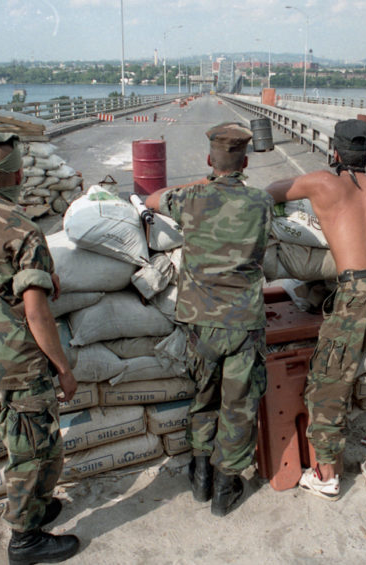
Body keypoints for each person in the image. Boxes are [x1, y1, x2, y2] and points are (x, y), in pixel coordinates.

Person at [265, 119, 366, 500]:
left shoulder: (321, 183)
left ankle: (327, 475)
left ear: (334, 151)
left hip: (357, 289)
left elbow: (271, 193)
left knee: (329, 384)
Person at [0, 132, 80, 565]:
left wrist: (38, 278)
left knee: (23, 440)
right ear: (19, 175)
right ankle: (25, 540)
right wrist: (62, 367)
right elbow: (37, 314)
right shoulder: (25, 233)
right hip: (19, 363)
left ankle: (37, 507)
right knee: (34, 451)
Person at [145, 122, 273, 517]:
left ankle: (199, 476)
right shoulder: (261, 202)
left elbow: (151, 199)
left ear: (208, 160)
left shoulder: (190, 199)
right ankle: (224, 487)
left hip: (200, 324)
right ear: (245, 162)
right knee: (238, 406)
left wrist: (205, 180)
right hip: (243, 324)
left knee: (203, 398)